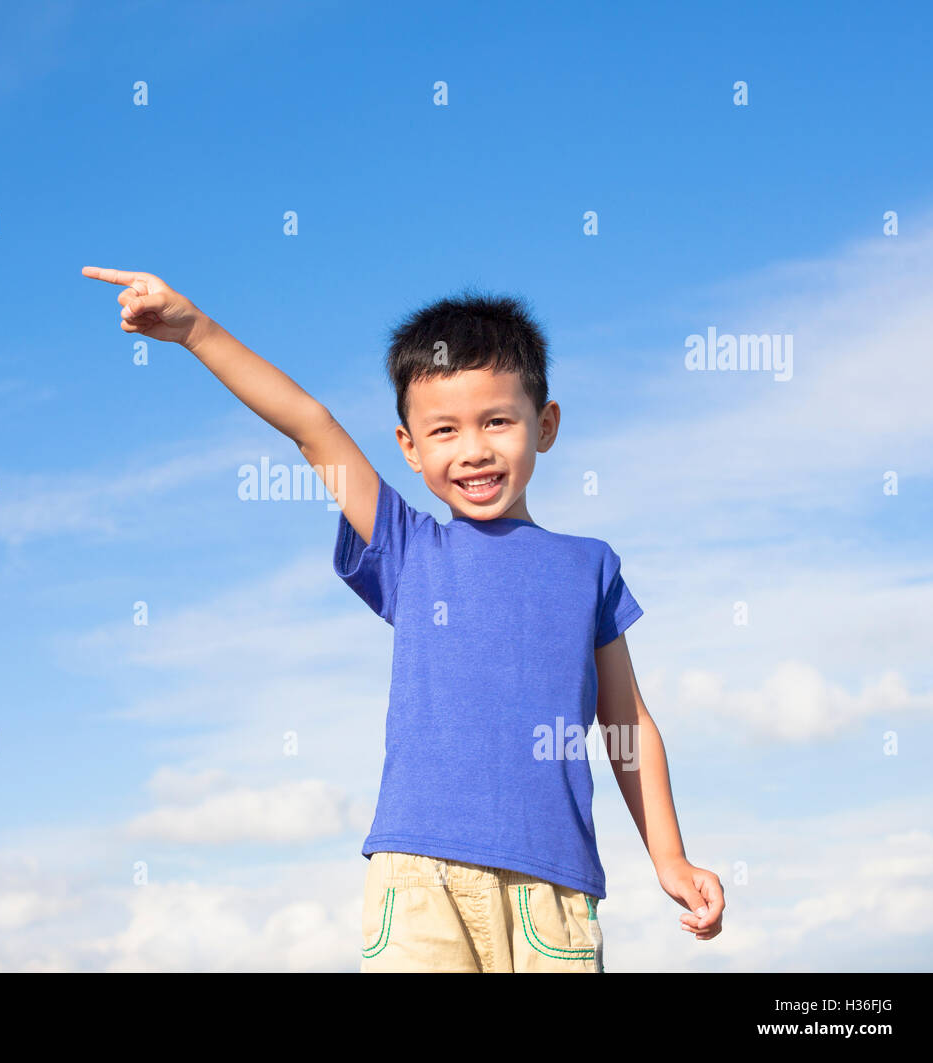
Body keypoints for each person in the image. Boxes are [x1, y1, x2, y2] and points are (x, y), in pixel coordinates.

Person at [82, 266, 725, 972]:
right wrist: (195, 330)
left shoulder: (589, 566)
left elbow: (626, 721)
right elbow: (309, 424)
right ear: (409, 447)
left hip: (554, 891)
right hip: (419, 881)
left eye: (498, 421)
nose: (473, 449)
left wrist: (670, 856)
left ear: (545, 426)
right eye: (444, 429)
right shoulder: (407, 547)